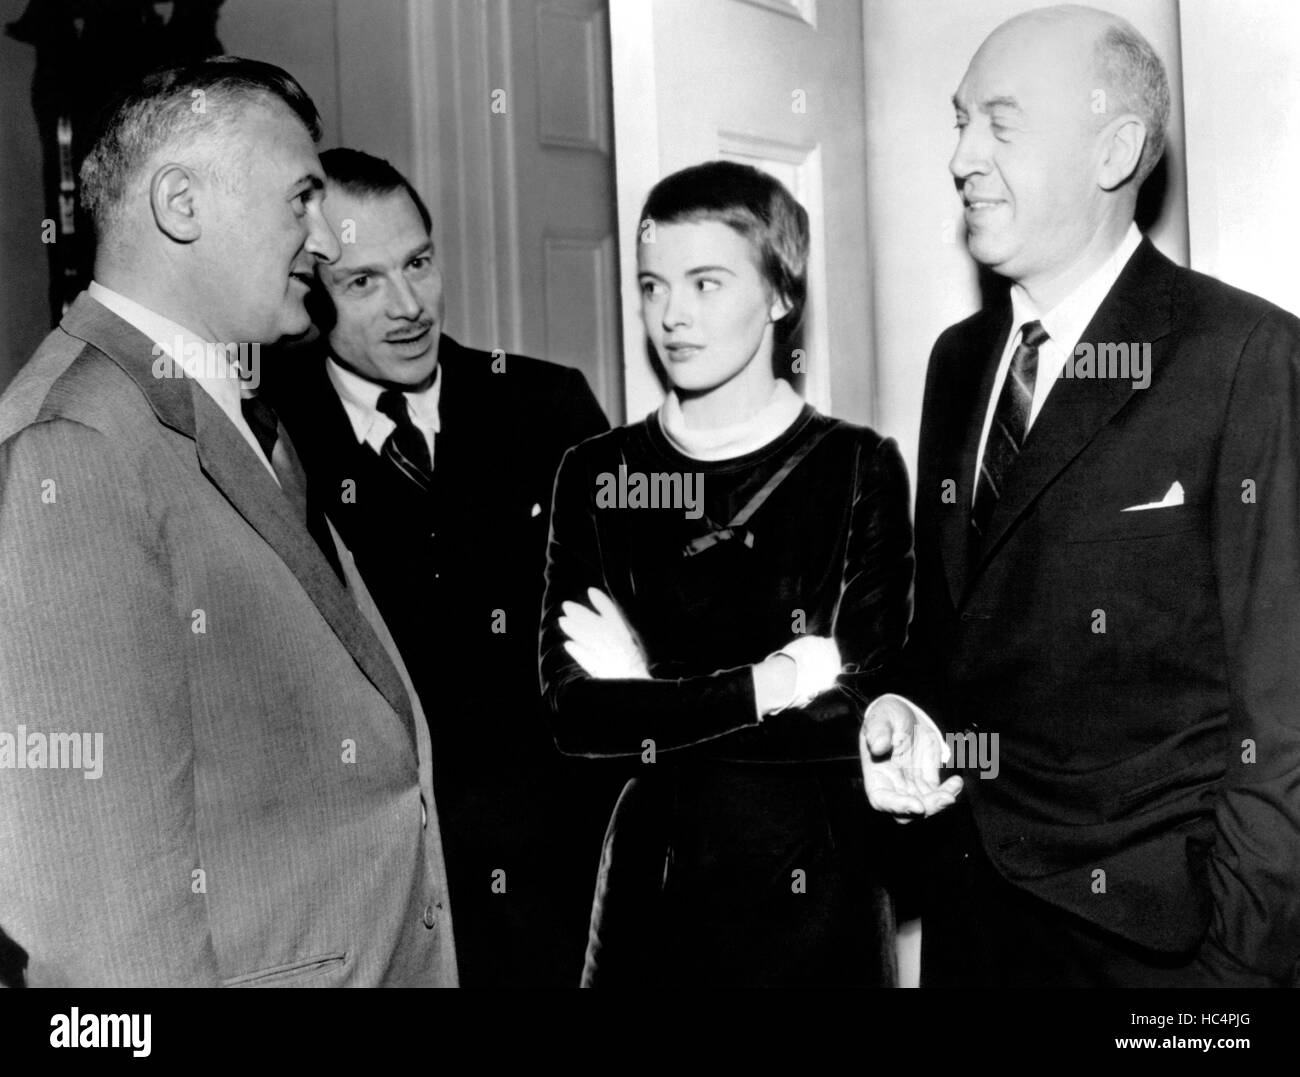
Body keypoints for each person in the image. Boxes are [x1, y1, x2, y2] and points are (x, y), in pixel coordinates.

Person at [861, 4, 1300, 987]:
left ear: (1115, 149)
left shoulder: (1241, 357)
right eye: (959, 119)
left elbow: (1282, 729)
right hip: (972, 935)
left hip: (1153, 958)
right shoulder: (960, 361)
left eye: (999, 124)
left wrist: (1227, 995)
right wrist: (904, 717)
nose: (962, 156)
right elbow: (956, 642)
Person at [0, 58, 456, 987]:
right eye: (303, 198)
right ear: (182, 202)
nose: (327, 241)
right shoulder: (71, 446)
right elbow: (105, 940)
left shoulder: (216, 400)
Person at [540, 160, 912, 987]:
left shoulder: (857, 466)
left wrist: (651, 686)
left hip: (816, 896)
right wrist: (769, 682)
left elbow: (853, 714)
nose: (672, 315)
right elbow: (576, 715)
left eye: (706, 283)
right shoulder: (597, 471)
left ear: (781, 294)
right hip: (653, 894)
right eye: (651, 285)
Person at [265, 148, 615, 987]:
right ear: (310, 290)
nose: (410, 305)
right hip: (382, 903)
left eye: (419, 262)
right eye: (364, 282)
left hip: (554, 892)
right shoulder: (276, 441)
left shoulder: (547, 406)